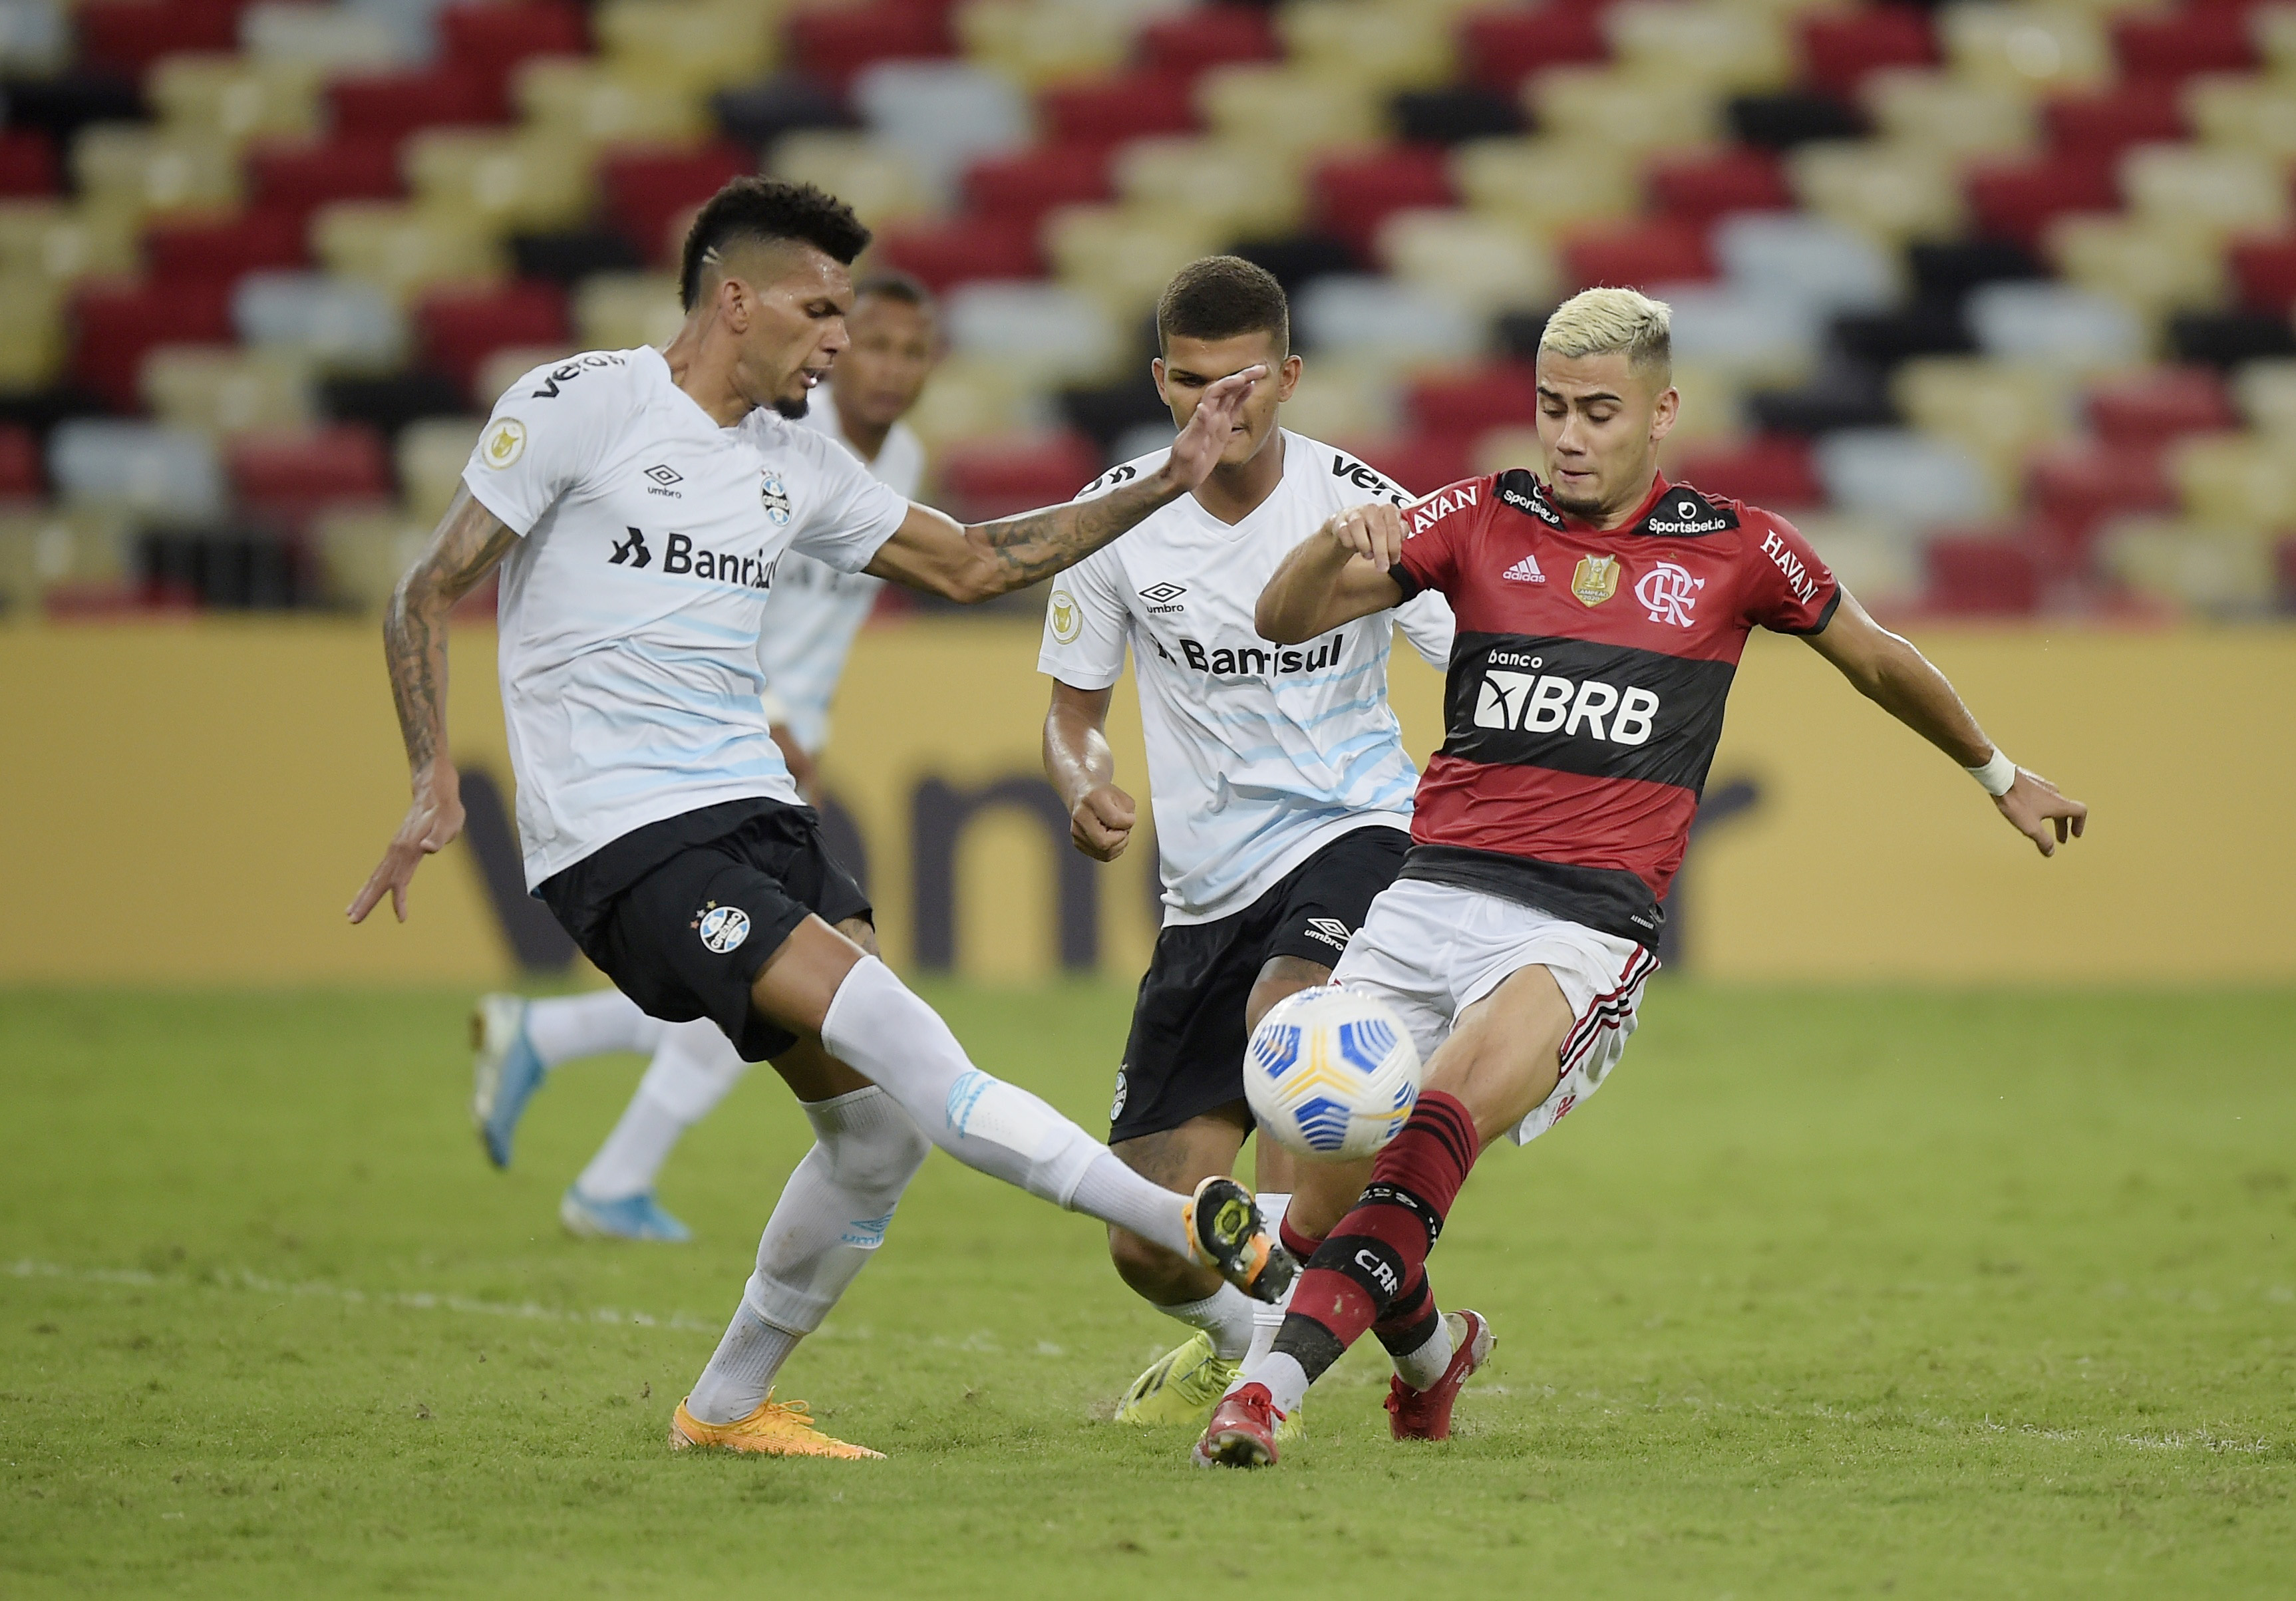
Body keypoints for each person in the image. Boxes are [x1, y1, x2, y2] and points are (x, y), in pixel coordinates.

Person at [345, 176, 1295, 1461]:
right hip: (627, 837)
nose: (840, 341)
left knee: (876, 1136)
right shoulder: (584, 404)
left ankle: (725, 1407)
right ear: (735, 301)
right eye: (821, 310)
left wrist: (1171, 481)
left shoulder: (793, 460)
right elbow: (425, 588)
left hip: (757, 811)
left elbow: (973, 561)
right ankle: (1182, 1226)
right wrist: (430, 778)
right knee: (912, 1045)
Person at [1192, 285, 2090, 1467]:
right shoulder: (1477, 515)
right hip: (1426, 896)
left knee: (1429, 1142)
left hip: (1580, 929)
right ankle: (1434, 1354)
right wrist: (1328, 544)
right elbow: (1282, 618)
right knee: (1321, 1216)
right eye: (1552, 407)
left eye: (1599, 412)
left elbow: (1875, 658)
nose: (1568, 436)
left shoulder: (1738, 548)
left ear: (1662, 413)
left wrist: (1999, 774)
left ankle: (1262, 1398)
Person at [1037, 257, 1454, 1428]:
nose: (1221, 406)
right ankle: (1371, 1348)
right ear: (1160, 381)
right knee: (1147, 1239)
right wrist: (1084, 781)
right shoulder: (1120, 518)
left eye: (1248, 382)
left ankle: (1270, 1385)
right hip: (1204, 893)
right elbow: (1073, 713)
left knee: (1291, 1025)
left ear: (1292, 377)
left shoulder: (1362, 510)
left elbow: (1480, 654)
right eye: (1195, 383)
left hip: (1354, 831)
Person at [466, 271, 942, 1243]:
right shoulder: (770, 440)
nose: (891, 369)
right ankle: (609, 1170)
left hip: (777, 746)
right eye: (874, 343)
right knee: (780, 969)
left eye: (914, 351)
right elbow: (704, 600)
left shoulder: (900, 460)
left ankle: (552, 1047)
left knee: (764, 967)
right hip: (720, 741)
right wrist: (768, 715)